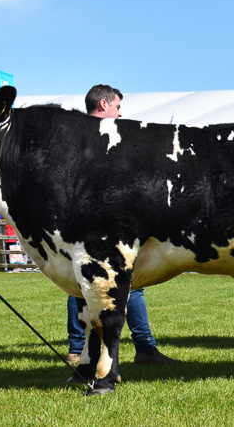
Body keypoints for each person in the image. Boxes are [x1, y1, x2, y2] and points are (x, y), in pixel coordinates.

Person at [67, 85, 180, 366]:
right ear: (103, 104)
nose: (120, 112)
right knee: (97, 284)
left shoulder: (78, 138)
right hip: (97, 224)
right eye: (117, 106)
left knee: (84, 285)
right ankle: (141, 348)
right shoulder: (95, 137)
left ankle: (80, 347)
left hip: (103, 222)